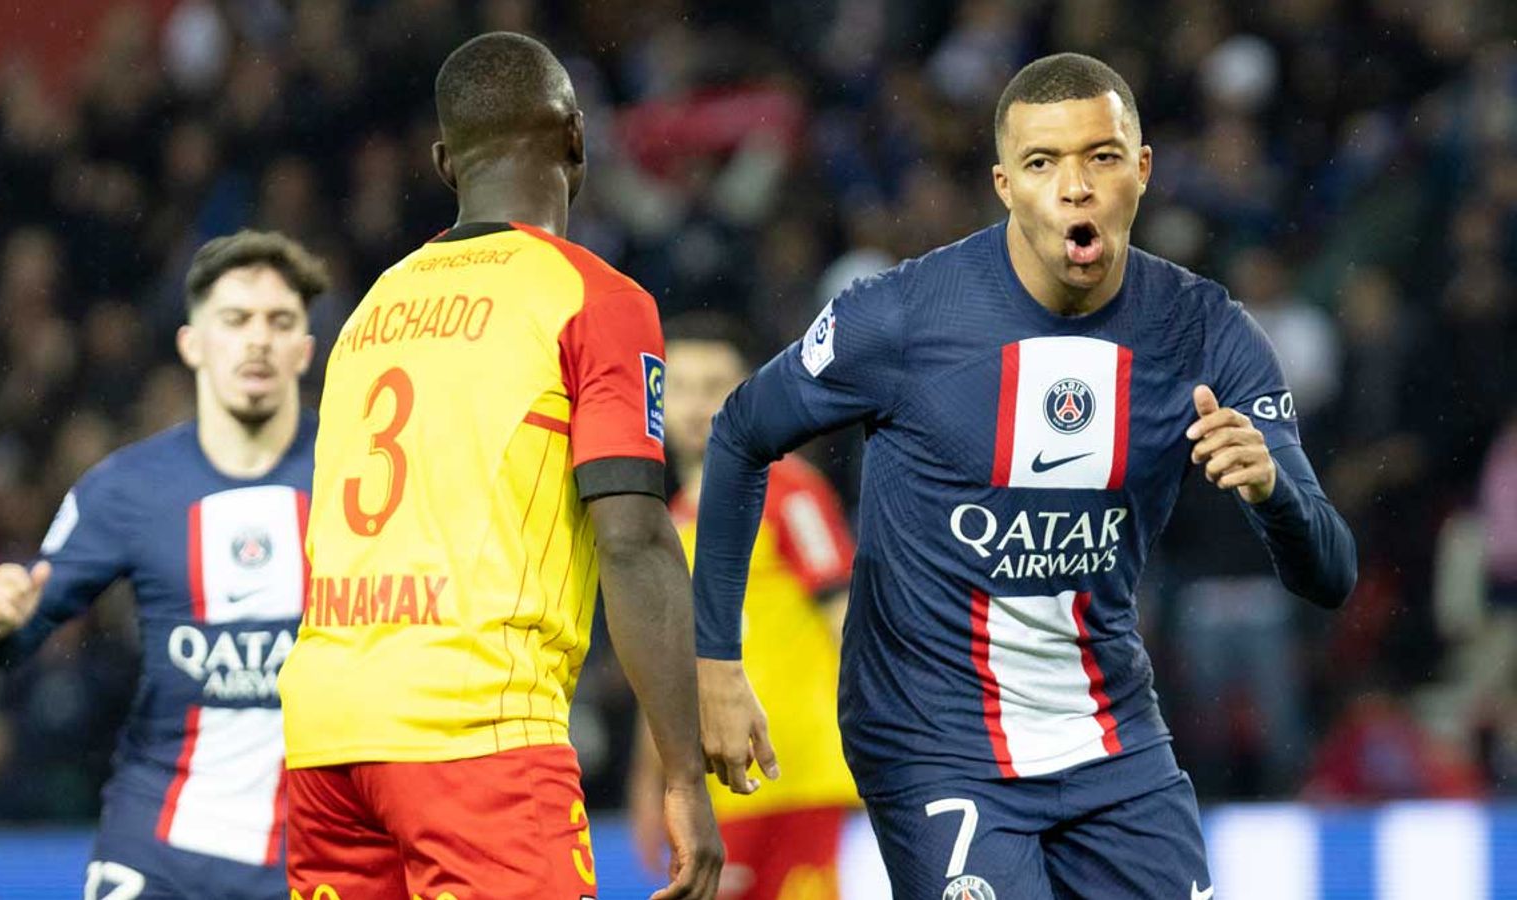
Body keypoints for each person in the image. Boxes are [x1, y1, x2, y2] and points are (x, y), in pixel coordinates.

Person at [692, 53, 1358, 900]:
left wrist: (1273, 493)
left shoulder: (1206, 333)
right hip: (931, 737)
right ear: (1005, 184)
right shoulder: (902, 317)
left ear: (1142, 170)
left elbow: (1330, 572)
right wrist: (716, 664)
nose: (1075, 188)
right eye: (1044, 163)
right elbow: (741, 433)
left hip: (1110, 738)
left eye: (1101, 157)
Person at [276, 32, 722, 900]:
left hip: (326, 736)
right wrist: (682, 775)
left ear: (445, 164)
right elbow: (632, 539)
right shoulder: (595, 298)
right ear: (577, 140)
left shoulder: (370, 310)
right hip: (475, 731)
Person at [0, 230, 329, 900]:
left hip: (312, 860)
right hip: (158, 853)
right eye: (236, 320)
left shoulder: (357, 475)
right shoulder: (126, 489)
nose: (258, 340)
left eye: (279, 322)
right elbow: (17, 635)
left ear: (304, 348)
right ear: (192, 343)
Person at [628, 313, 890, 900]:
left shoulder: (789, 491)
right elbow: (668, 666)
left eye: (713, 386)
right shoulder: (670, 521)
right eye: (679, 388)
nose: (695, 406)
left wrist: (892, 743)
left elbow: (847, 622)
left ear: (746, 392)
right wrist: (649, 783)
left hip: (797, 775)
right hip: (719, 786)